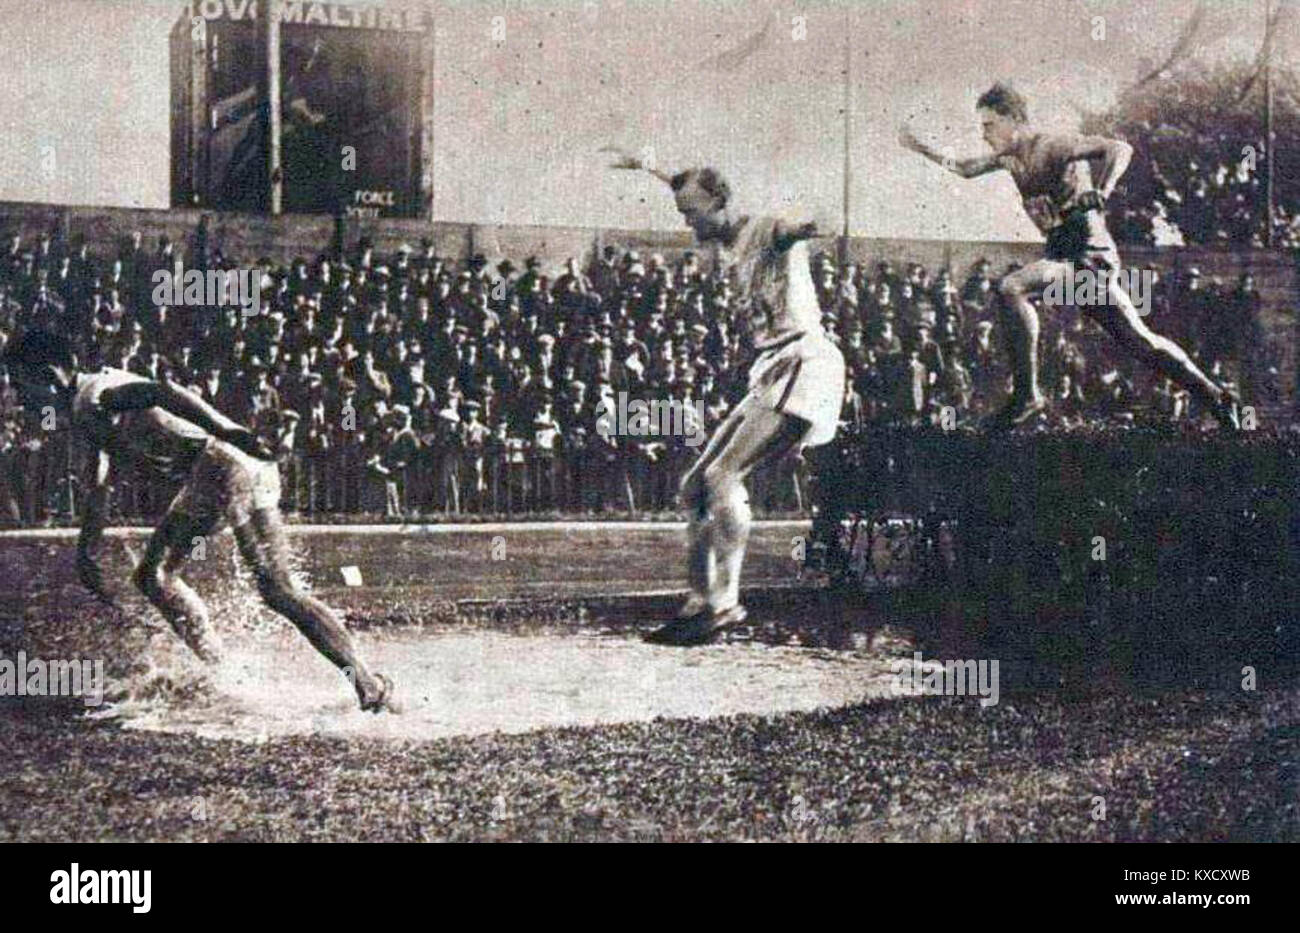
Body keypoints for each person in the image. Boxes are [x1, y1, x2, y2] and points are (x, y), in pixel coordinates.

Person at [2, 330, 395, 712]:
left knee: (275, 588)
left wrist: (228, 430)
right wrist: (88, 548)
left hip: (224, 464)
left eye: (21, 385)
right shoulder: (86, 402)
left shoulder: (95, 395)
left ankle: (364, 681)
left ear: (50, 375)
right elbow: (100, 474)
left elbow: (164, 390)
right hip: (214, 471)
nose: (19, 397)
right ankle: (230, 676)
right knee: (156, 576)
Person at [604, 147, 846, 644]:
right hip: (772, 368)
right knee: (693, 487)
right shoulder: (731, 234)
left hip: (805, 361)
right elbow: (685, 181)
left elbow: (802, 227)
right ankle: (699, 603)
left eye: (692, 213)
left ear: (720, 201)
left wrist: (816, 223)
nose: (688, 224)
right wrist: (648, 163)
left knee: (723, 474)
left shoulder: (766, 229)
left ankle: (726, 602)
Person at [899, 83, 1239, 430]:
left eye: (989, 125)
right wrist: (919, 147)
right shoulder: (1008, 158)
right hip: (1066, 260)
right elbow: (965, 169)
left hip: (1089, 257)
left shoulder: (1052, 145)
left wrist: (1101, 192)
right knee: (1140, 342)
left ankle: (1027, 396)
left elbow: (1119, 149)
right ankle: (1217, 396)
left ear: (1014, 119)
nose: (984, 135)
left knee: (1011, 287)